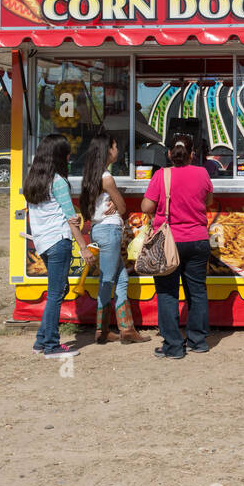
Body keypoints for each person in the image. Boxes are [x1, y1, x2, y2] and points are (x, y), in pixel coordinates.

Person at [141, 132, 214, 358]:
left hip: (168, 243)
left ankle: (173, 346)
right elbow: (208, 201)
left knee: (167, 293)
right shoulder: (202, 173)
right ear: (192, 154)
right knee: (197, 291)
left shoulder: (161, 176)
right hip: (198, 240)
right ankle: (198, 341)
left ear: (170, 154)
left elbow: (146, 207)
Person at [24, 133, 93, 359]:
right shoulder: (59, 182)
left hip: (43, 243)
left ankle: (41, 341)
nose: (70, 155)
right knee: (56, 293)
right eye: (67, 152)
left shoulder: (33, 180)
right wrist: (84, 247)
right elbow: (71, 219)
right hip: (58, 242)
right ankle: (52, 345)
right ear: (59, 156)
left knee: (58, 290)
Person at [79, 134, 148, 345]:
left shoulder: (91, 174)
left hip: (100, 229)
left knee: (120, 279)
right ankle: (102, 330)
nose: (118, 149)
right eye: (116, 146)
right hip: (110, 231)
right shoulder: (107, 178)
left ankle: (126, 329)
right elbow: (124, 209)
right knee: (107, 280)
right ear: (108, 150)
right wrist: (118, 204)